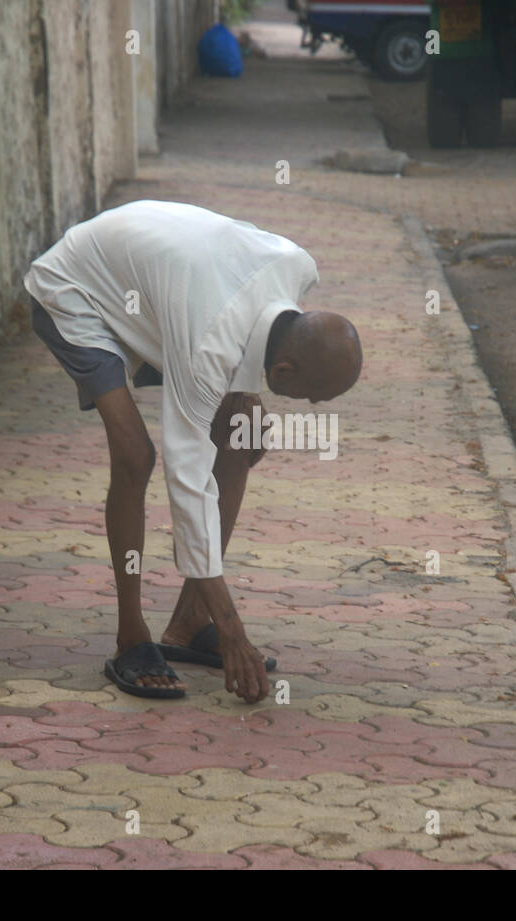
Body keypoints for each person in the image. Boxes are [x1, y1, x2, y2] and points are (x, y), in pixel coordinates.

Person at [24, 200, 361, 702]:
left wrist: (245, 397)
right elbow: (188, 485)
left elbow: (243, 324)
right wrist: (235, 629)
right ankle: (131, 637)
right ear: (285, 372)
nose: (309, 405)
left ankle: (188, 622)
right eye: (313, 395)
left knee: (239, 431)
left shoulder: (293, 265)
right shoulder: (208, 345)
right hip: (78, 291)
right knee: (136, 456)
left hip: (162, 300)